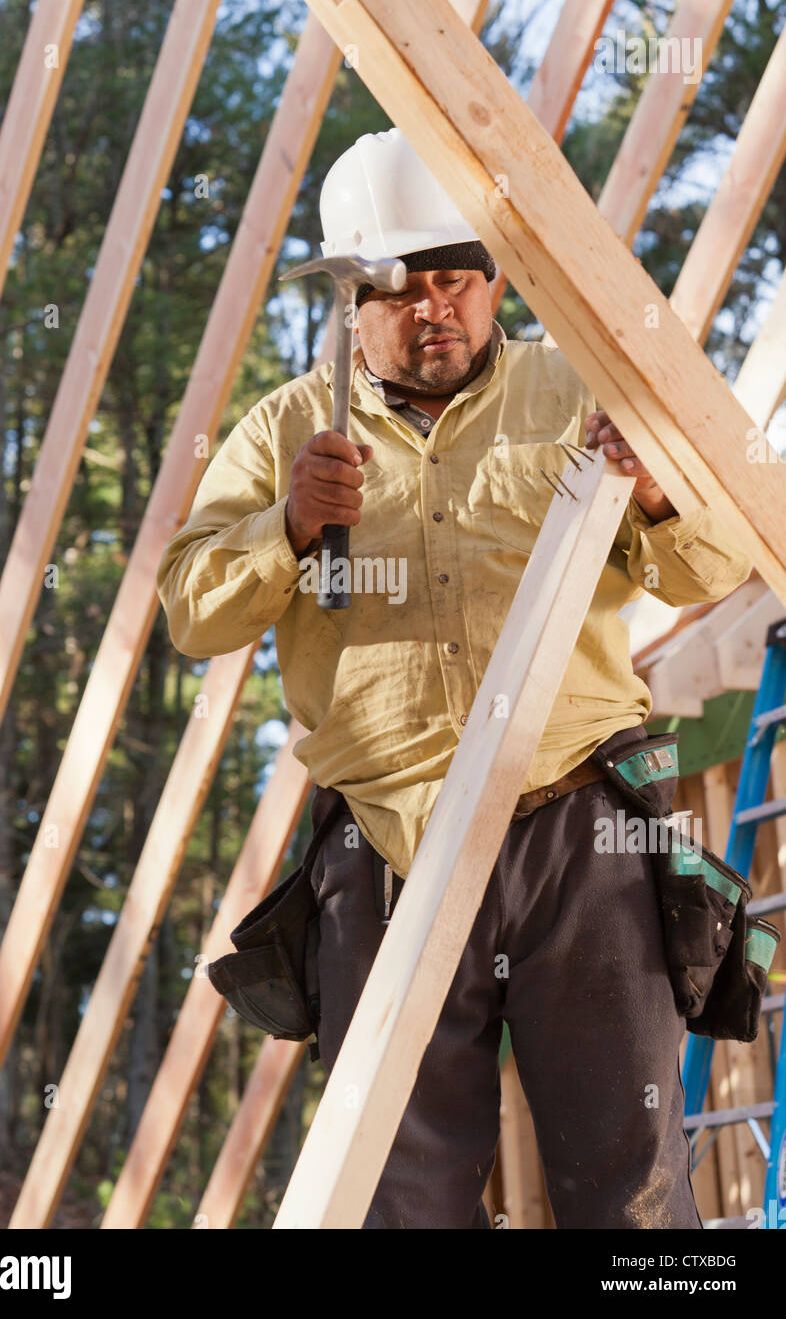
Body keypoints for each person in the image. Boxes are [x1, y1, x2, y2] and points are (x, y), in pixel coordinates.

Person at [156, 127, 753, 1228]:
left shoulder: (577, 391)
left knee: (627, 1173)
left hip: (582, 826)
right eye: (402, 289)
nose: (435, 307)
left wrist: (658, 495)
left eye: (454, 281)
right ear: (351, 299)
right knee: (399, 1184)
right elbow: (191, 609)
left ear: (489, 282)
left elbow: (721, 561)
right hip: (384, 845)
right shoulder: (288, 429)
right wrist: (287, 526)